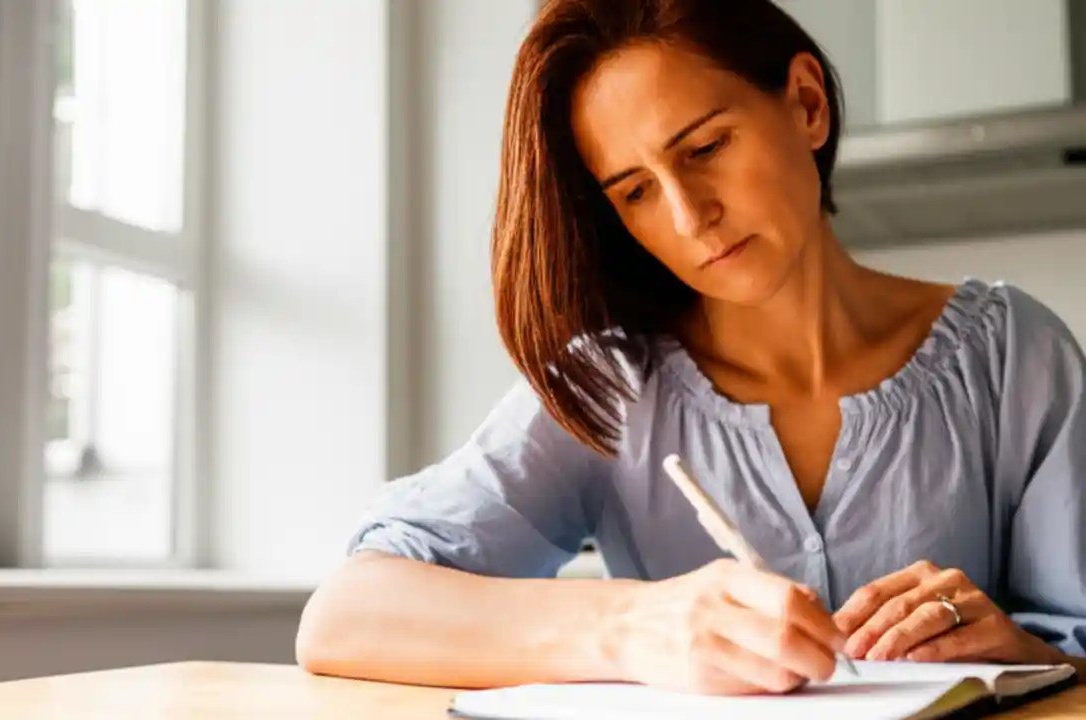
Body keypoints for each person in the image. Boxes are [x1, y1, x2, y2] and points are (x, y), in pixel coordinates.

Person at [295, 0, 1086, 695]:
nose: (688, 215)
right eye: (635, 191)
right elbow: (344, 616)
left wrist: (1020, 652)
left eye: (705, 148)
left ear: (807, 104)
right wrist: (639, 626)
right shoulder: (612, 386)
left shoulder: (1015, 355)